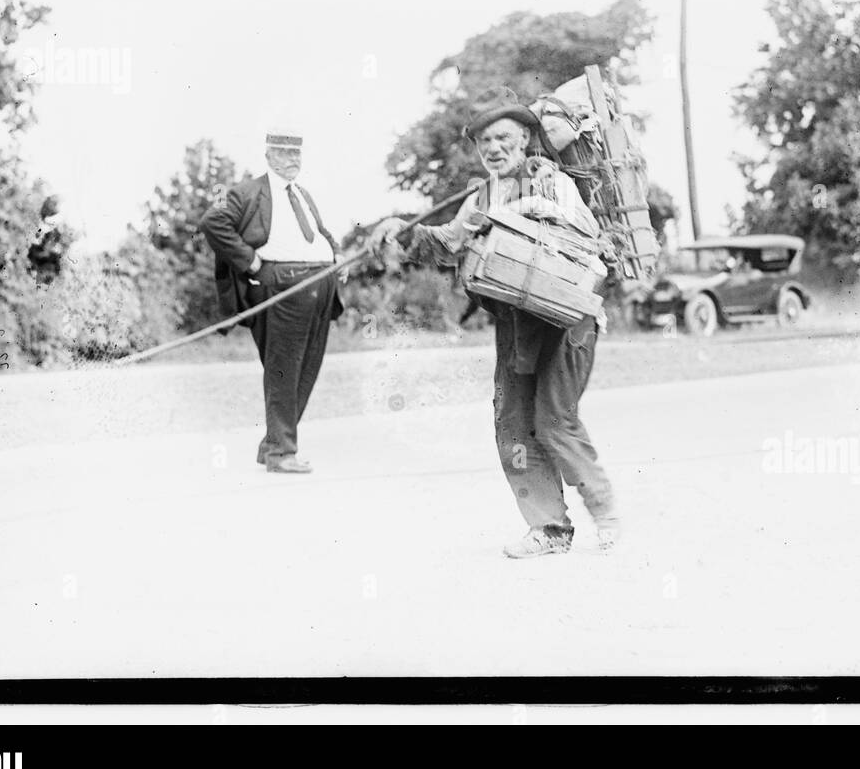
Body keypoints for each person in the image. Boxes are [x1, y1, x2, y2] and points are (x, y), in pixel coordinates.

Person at [371, 87, 620, 558]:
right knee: (511, 425)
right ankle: (549, 529)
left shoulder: (551, 179)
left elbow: (580, 235)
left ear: (526, 138)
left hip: (569, 320)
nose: (494, 149)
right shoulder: (481, 194)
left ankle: (605, 510)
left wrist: (506, 219)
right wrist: (401, 230)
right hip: (516, 322)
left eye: (503, 137)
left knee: (554, 421)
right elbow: (448, 243)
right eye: (484, 141)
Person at [199, 125, 343, 474]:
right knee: (284, 368)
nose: (292, 159)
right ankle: (281, 452)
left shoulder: (302, 194)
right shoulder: (248, 191)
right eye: (283, 152)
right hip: (283, 287)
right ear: (268, 155)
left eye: (296, 153)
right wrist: (249, 260)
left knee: (306, 368)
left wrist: (336, 258)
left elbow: (319, 235)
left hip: (320, 286)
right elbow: (212, 222)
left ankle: (273, 444)